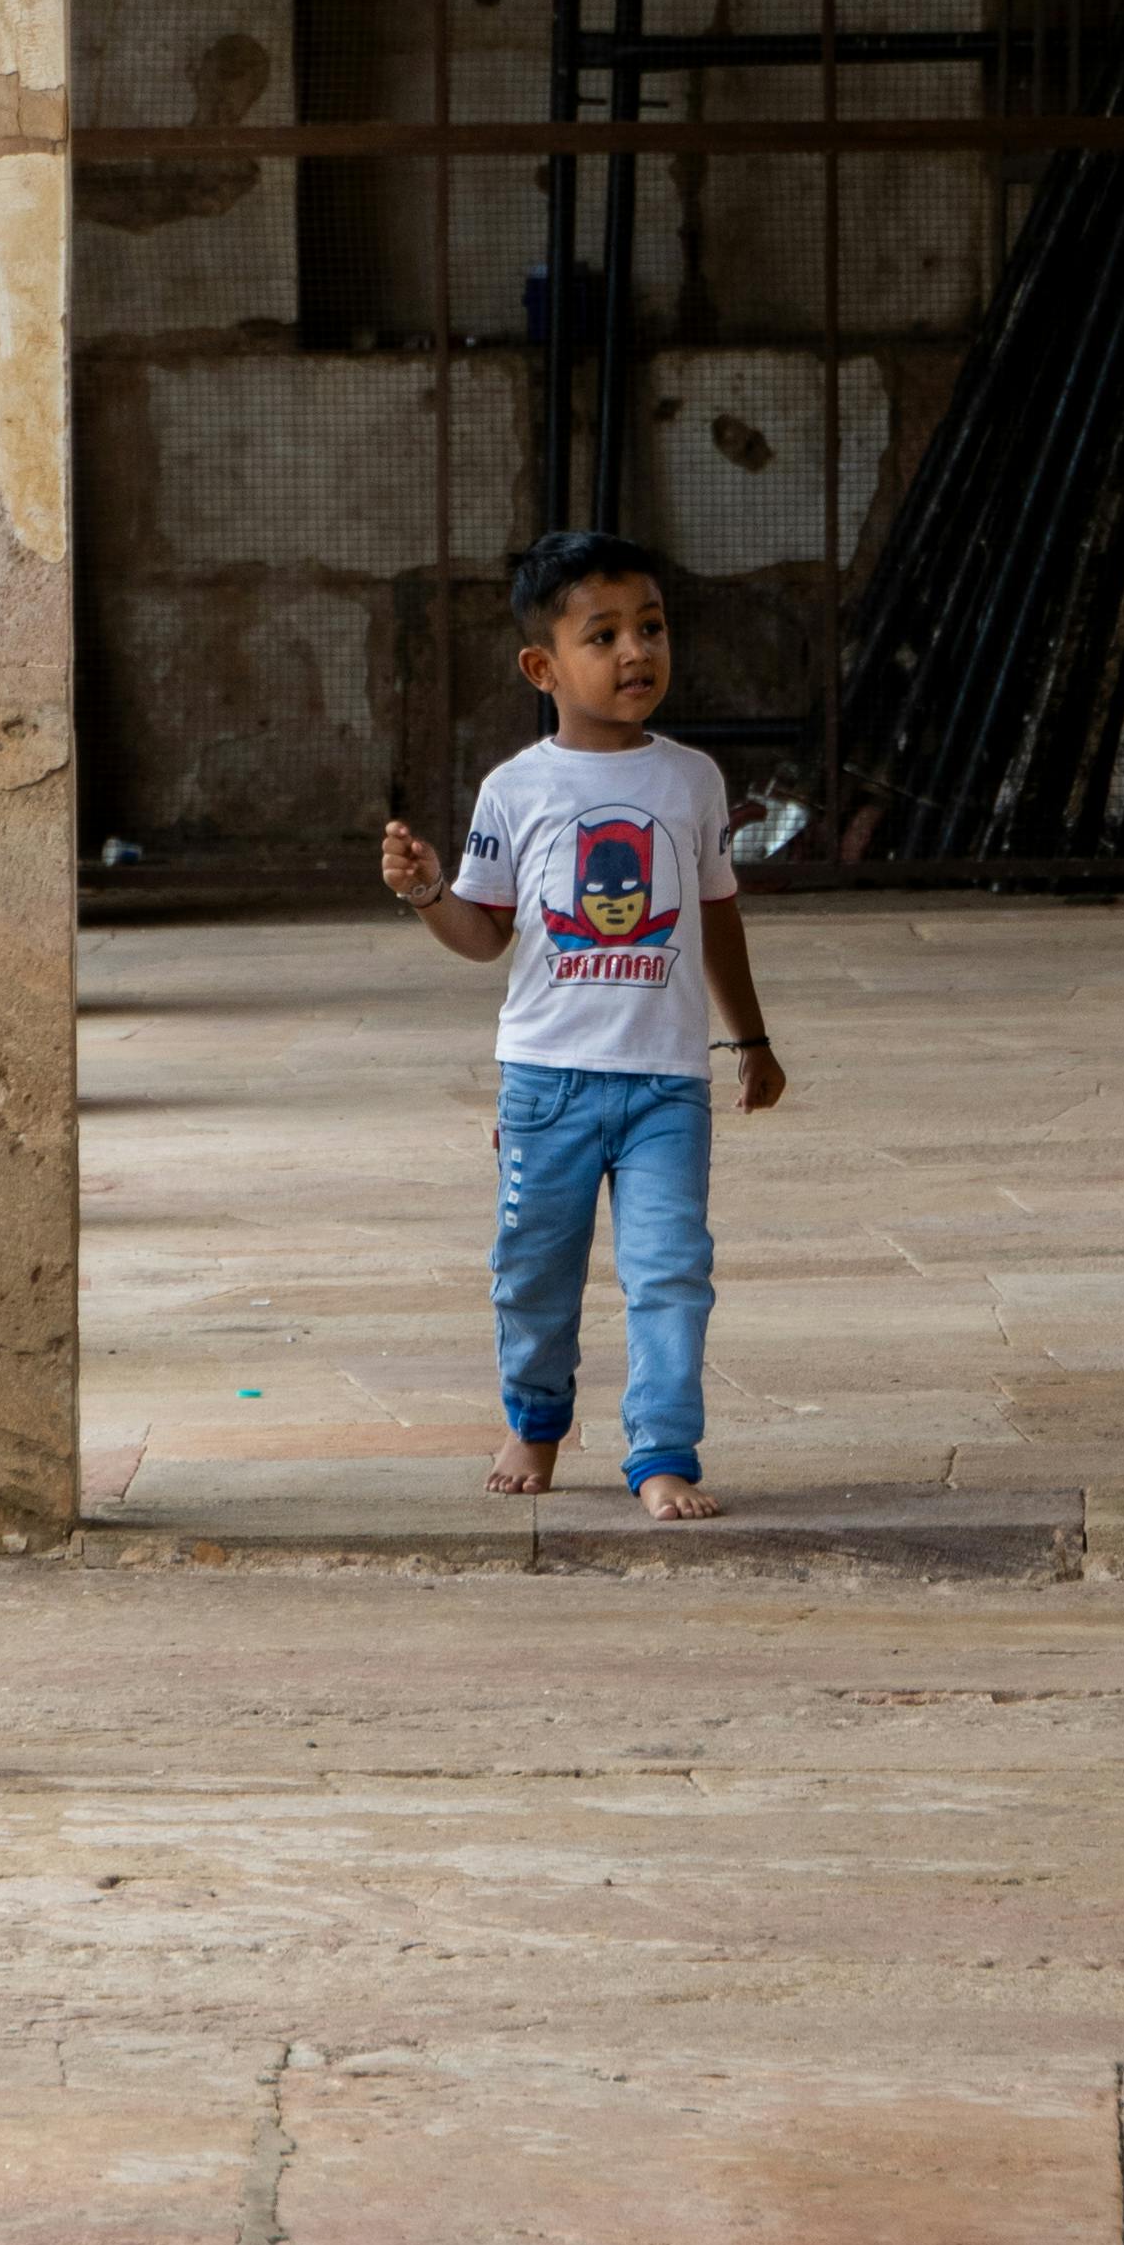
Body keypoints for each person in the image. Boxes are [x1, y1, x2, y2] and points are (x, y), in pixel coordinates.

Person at [377, 532, 785, 1518]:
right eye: (602, 636)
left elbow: (717, 917)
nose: (635, 652)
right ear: (542, 667)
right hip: (547, 1083)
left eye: (649, 627)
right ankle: (536, 1418)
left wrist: (753, 1040)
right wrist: (429, 889)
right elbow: (485, 938)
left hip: (665, 1085)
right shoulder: (516, 790)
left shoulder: (690, 781)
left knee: (671, 1269)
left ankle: (662, 1453)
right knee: (531, 1271)